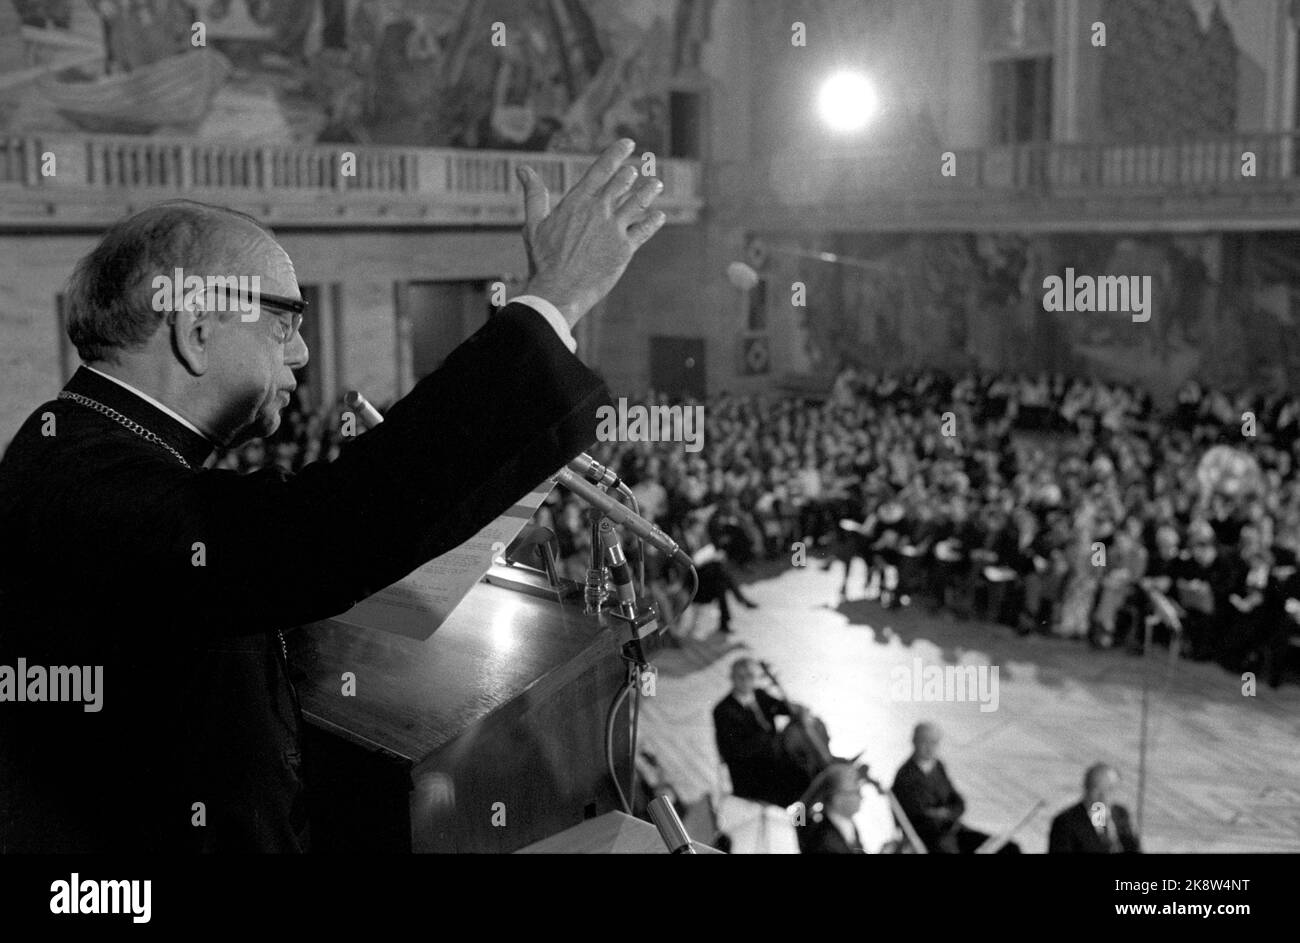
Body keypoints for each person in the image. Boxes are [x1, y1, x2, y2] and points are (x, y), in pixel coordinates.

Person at [0, 137, 667, 853]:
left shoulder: (78, 442)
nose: (303, 353)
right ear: (196, 331)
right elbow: (316, 532)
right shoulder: (85, 478)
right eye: (285, 321)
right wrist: (556, 295)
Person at [891, 722, 1020, 854]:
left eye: (934, 743)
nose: (930, 748)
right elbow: (918, 817)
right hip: (931, 840)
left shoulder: (937, 766)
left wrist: (944, 813)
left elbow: (959, 803)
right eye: (925, 742)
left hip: (954, 831)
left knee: (1009, 847)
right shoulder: (905, 776)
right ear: (914, 741)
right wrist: (944, 814)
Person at [712, 657, 812, 807]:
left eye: (750, 676)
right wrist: (770, 740)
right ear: (732, 678)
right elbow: (733, 750)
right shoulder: (723, 710)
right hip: (750, 771)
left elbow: (783, 707)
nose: (746, 681)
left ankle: (801, 820)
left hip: (771, 761)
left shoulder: (759, 695)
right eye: (741, 676)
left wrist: (800, 710)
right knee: (791, 781)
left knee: (805, 776)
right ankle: (795, 820)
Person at [1048, 763, 1141, 853]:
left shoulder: (1120, 814)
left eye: (1110, 789)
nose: (1104, 796)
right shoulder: (1066, 823)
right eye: (1097, 789)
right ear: (1086, 788)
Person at [798, 763, 867, 854]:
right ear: (837, 799)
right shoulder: (825, 841)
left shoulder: (846, 825)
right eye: (856, 792)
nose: (862, 796)